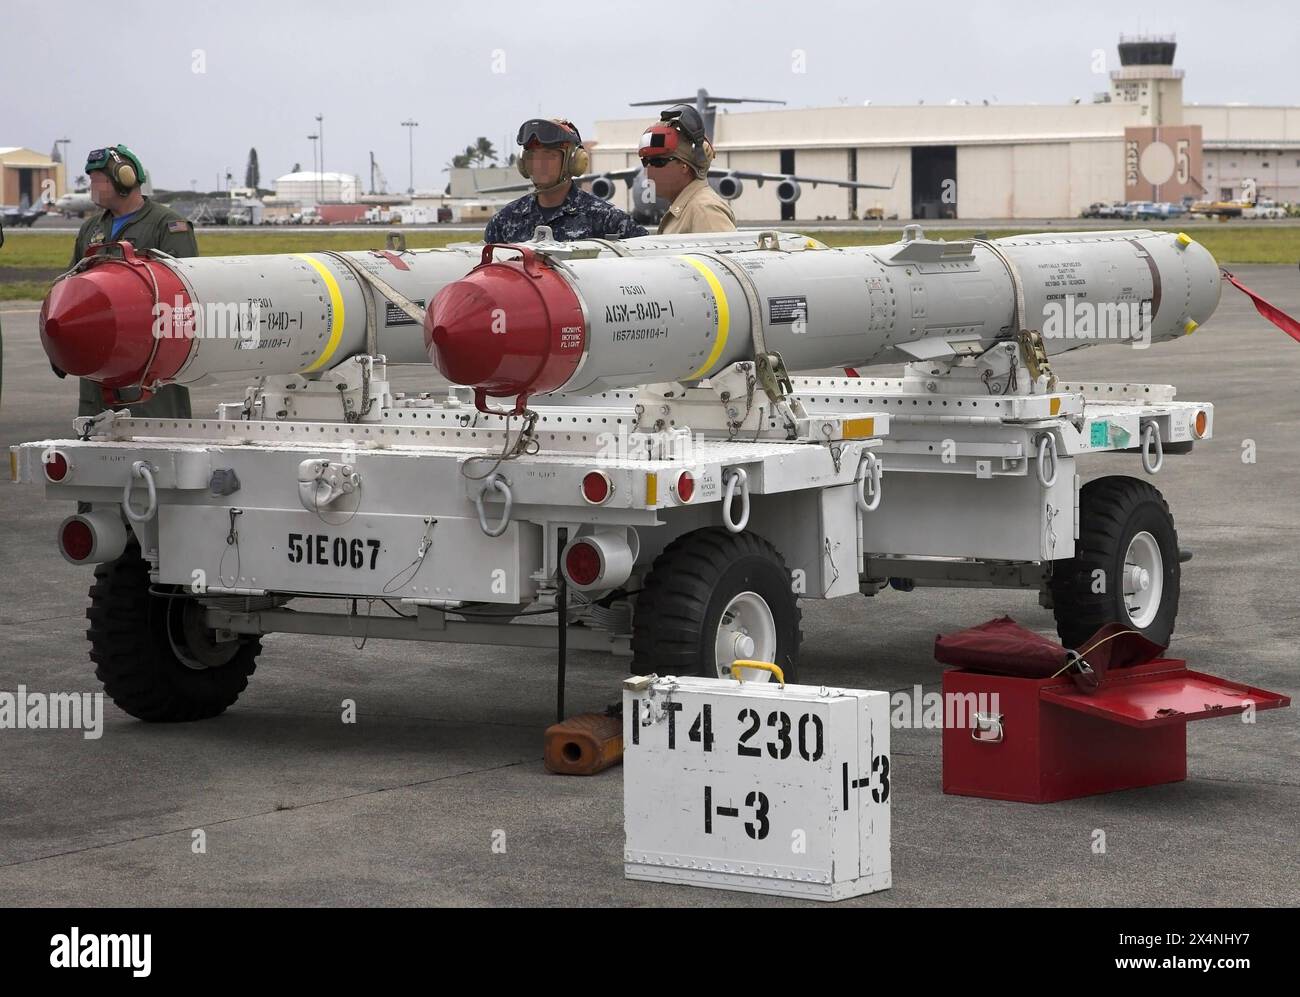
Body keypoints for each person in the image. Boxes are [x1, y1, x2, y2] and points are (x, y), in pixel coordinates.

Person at [58, 145, 198, 418]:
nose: (92, 187)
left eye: (98, 179)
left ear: (125, 179)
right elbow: (71, 286)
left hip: (151, 358)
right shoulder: (91, 229)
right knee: (97, 439)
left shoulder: (168, 225)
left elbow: (186, 289)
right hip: (97, 359)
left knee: (157, 436)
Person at [485, 119, 646, 243]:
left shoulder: (605, 219)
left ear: (573, 161)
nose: (539, 164)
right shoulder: (504, 221)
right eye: (533, 156)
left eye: (549, 155)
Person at [639, 105, 736, 235]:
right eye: (646, 162)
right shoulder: (685, 209)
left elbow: (724, 254)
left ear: (684, 166)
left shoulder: (704, 211)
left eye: (658, 162)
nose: (649, 170)